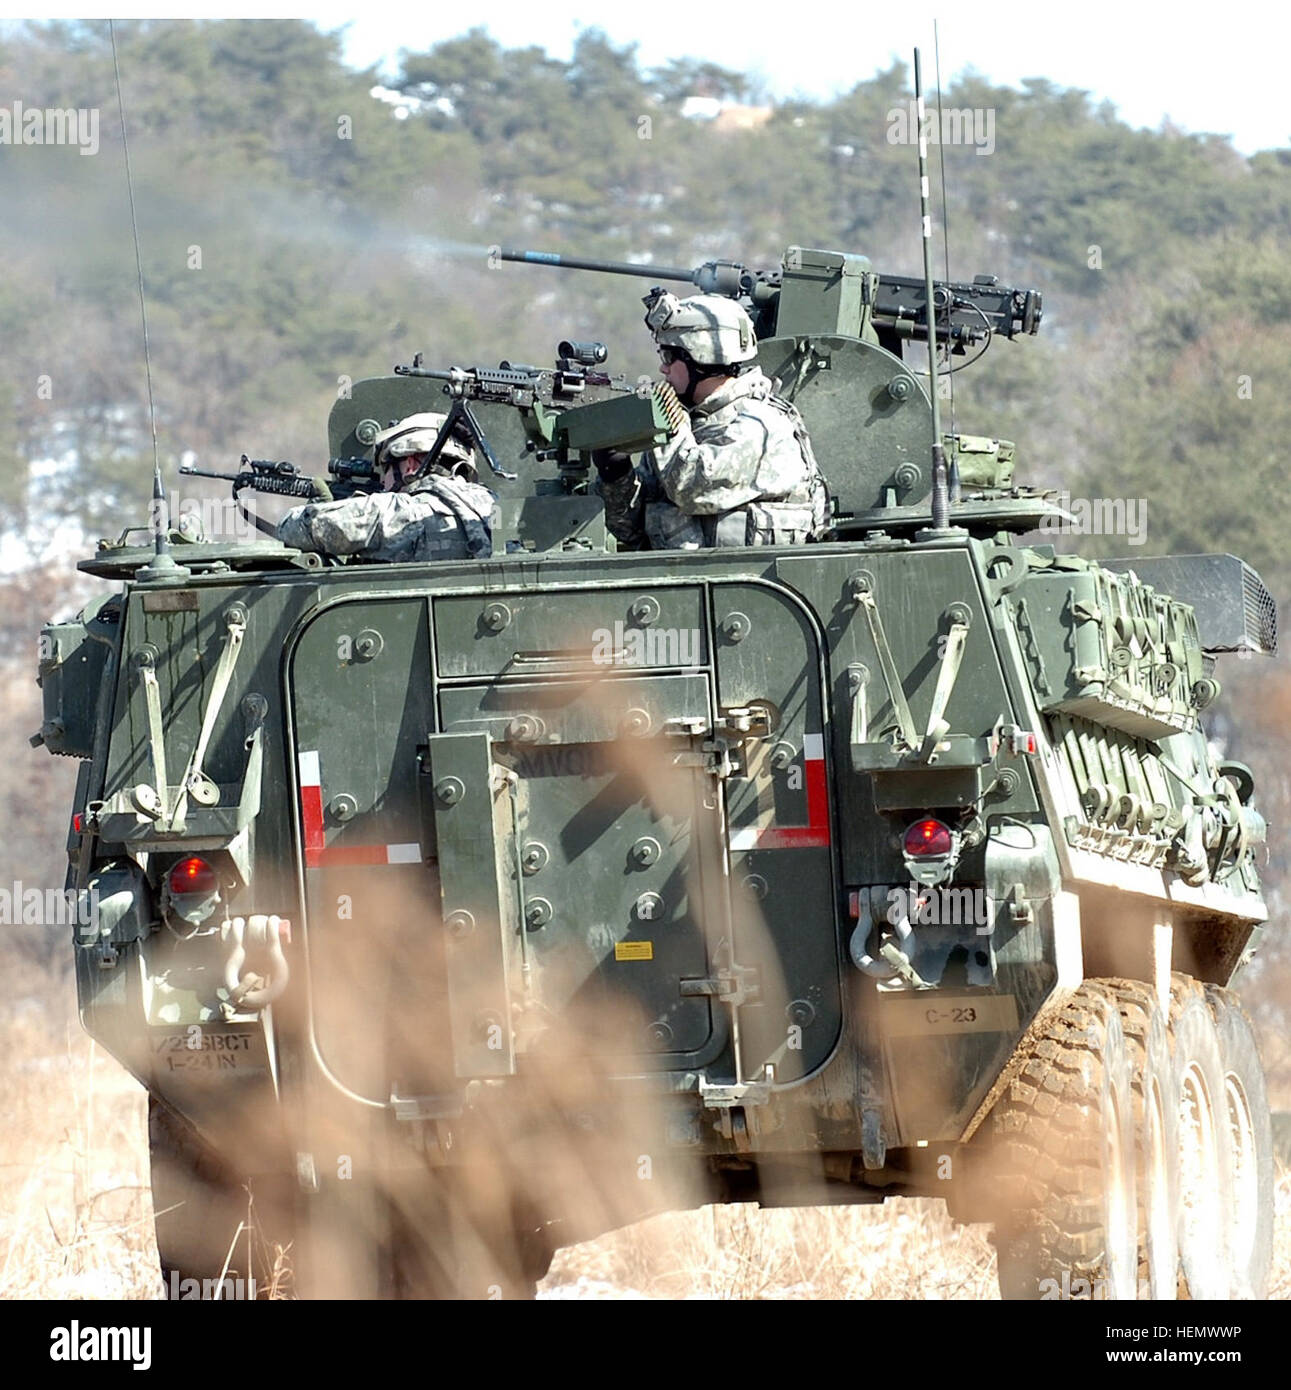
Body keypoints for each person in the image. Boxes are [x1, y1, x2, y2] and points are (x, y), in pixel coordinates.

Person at [593, 290, 830, 549]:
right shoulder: (684, 426)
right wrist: (615, 471)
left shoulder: (762, 426)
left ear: (700, 357)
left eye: (669, 356)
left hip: (754, 583)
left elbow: (691, 489)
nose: (663, 368)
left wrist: (670, 425)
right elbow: (631, 530)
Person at [276, 412, 496, 562]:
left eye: (386, 470)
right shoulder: (494, 505)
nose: (383, 483)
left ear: (409, 464)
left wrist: (320, 506)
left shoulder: (395, 511)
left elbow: (290, 528)